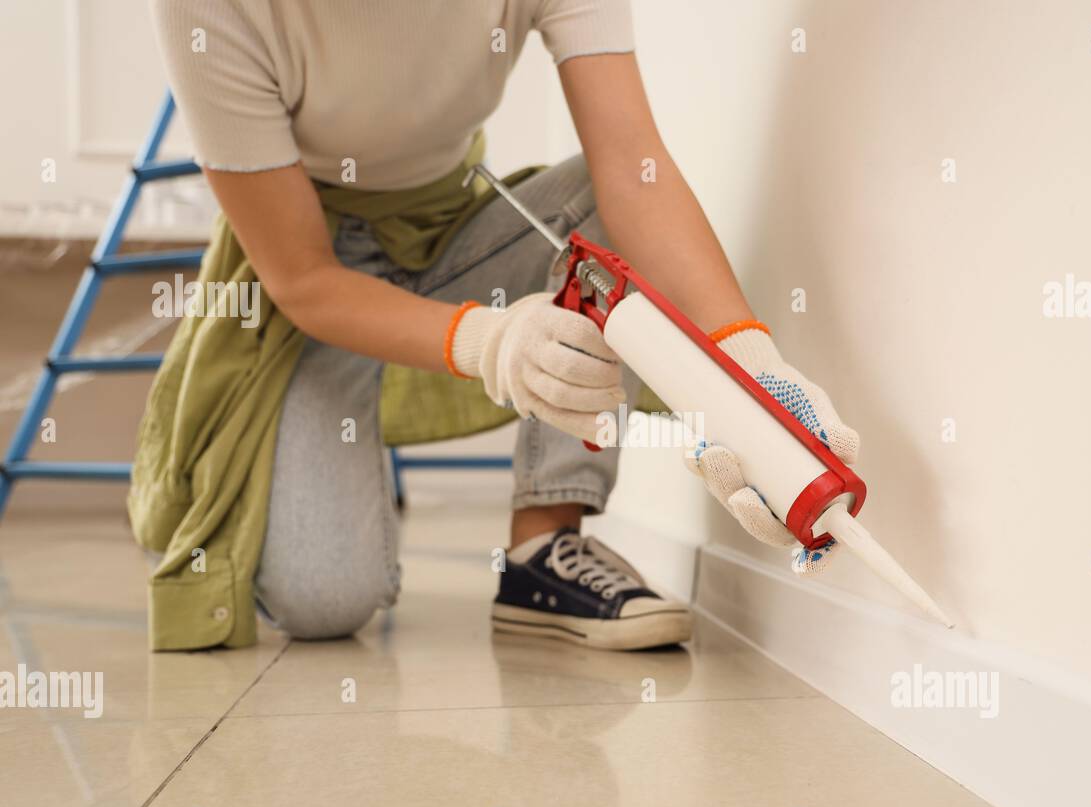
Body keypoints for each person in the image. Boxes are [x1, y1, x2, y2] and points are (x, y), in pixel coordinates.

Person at [134, 0, 859, 653]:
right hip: (319, 274)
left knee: (610, 221)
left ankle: (542, 554)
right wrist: (492, 341)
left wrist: (749, 368)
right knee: (323, 601)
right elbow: (304, 278)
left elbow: (631, 168)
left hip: (453, 231)